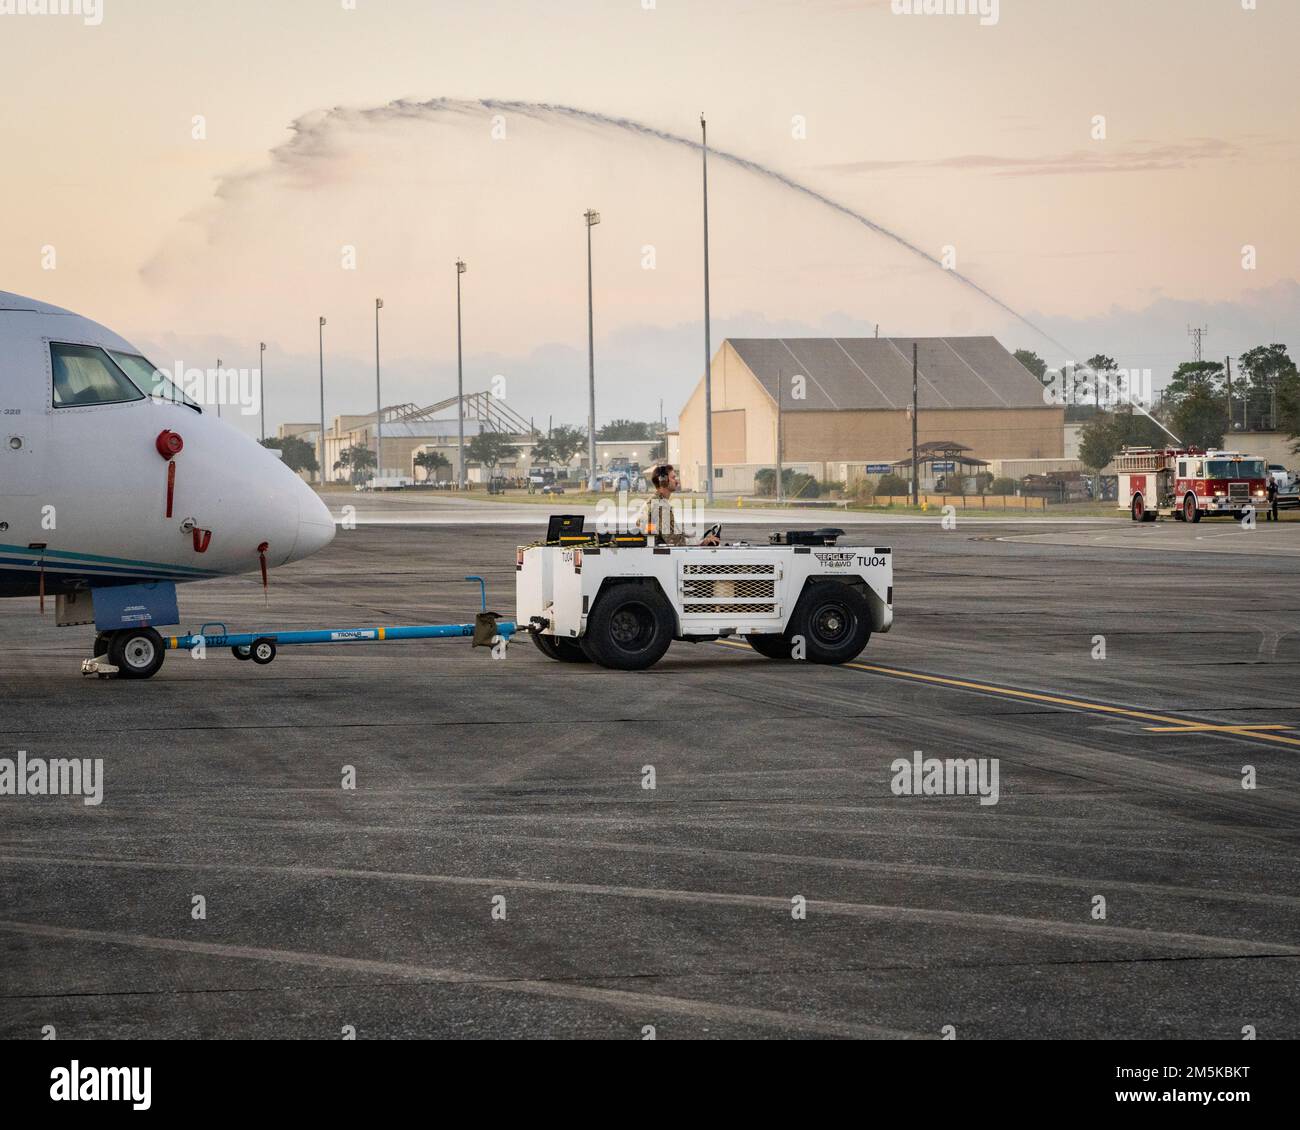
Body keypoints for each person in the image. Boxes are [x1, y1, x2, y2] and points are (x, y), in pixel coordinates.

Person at [643, 464, 720, 546]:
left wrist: (698, 540)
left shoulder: (657, 502)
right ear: (664, 481)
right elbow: (673, 540)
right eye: (673, 478)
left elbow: (674, 536)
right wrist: (702, 542)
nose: (676, 481)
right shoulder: (659, 506)